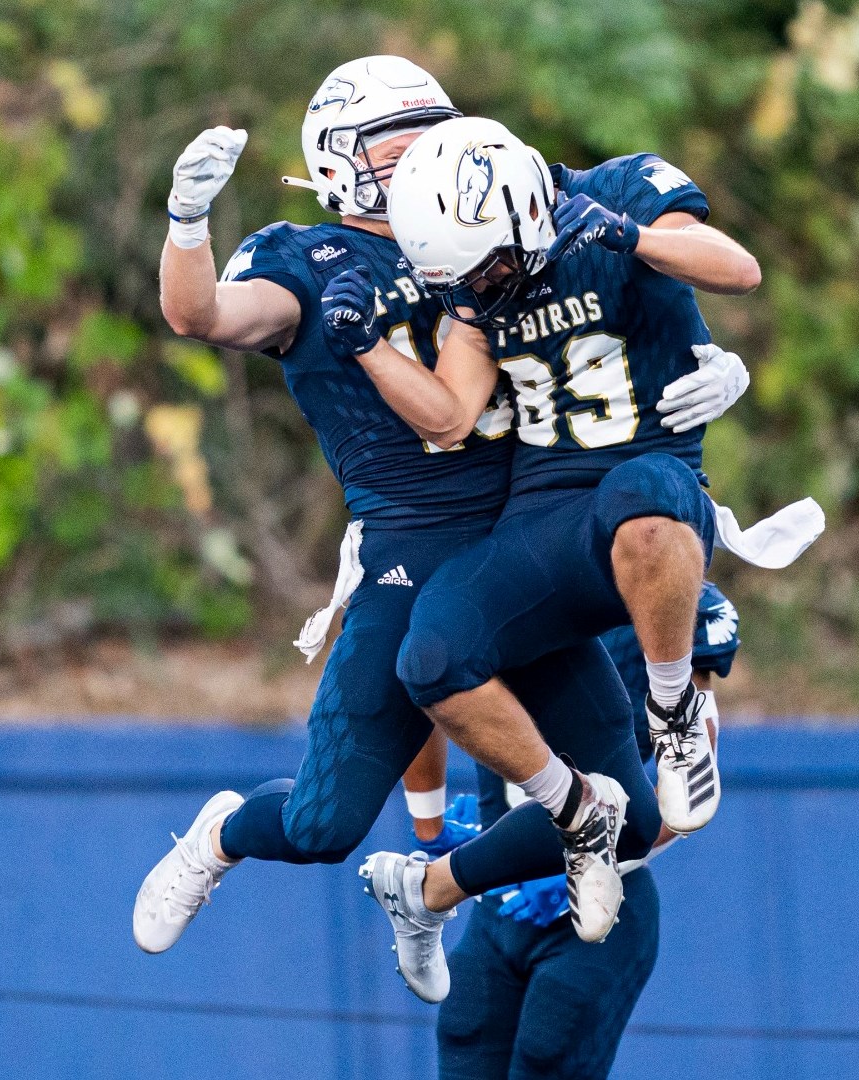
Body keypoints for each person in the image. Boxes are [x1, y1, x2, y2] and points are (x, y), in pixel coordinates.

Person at [129, 58, 752, 1002]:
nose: (415, 153)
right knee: (320, 824)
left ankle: (433, 883)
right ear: (337, 164)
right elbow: (201, 313)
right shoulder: (313, 260)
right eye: (389, 142)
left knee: (629, 820)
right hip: (409, 554)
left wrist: (710, 366)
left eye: (428, 129)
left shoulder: (493, 218)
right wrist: (186, 226)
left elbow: (620, 316)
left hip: (531, 532)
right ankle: (222, 833)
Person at [323, 115, 820, 949]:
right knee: (430, 653)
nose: (484, 290)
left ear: (525, 212)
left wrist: (633, 241)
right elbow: (448, 418)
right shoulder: (473, 286)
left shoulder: (618, 195)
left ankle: (672, 708)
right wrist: (369, 348)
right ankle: (575, 813)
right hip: (544, 522)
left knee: (645, 500)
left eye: (492, 268)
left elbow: (738, 268)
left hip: (648, 489)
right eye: (466, 281)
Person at [433, 583, 739, 1080]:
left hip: (602, 894)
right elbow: (425, 690)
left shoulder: (672, 597)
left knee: (550, 1046)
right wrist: (447, 826)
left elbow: (685, 790)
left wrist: (572, 856)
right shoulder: (501, 579)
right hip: (502, 901)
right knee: (465, 1033)